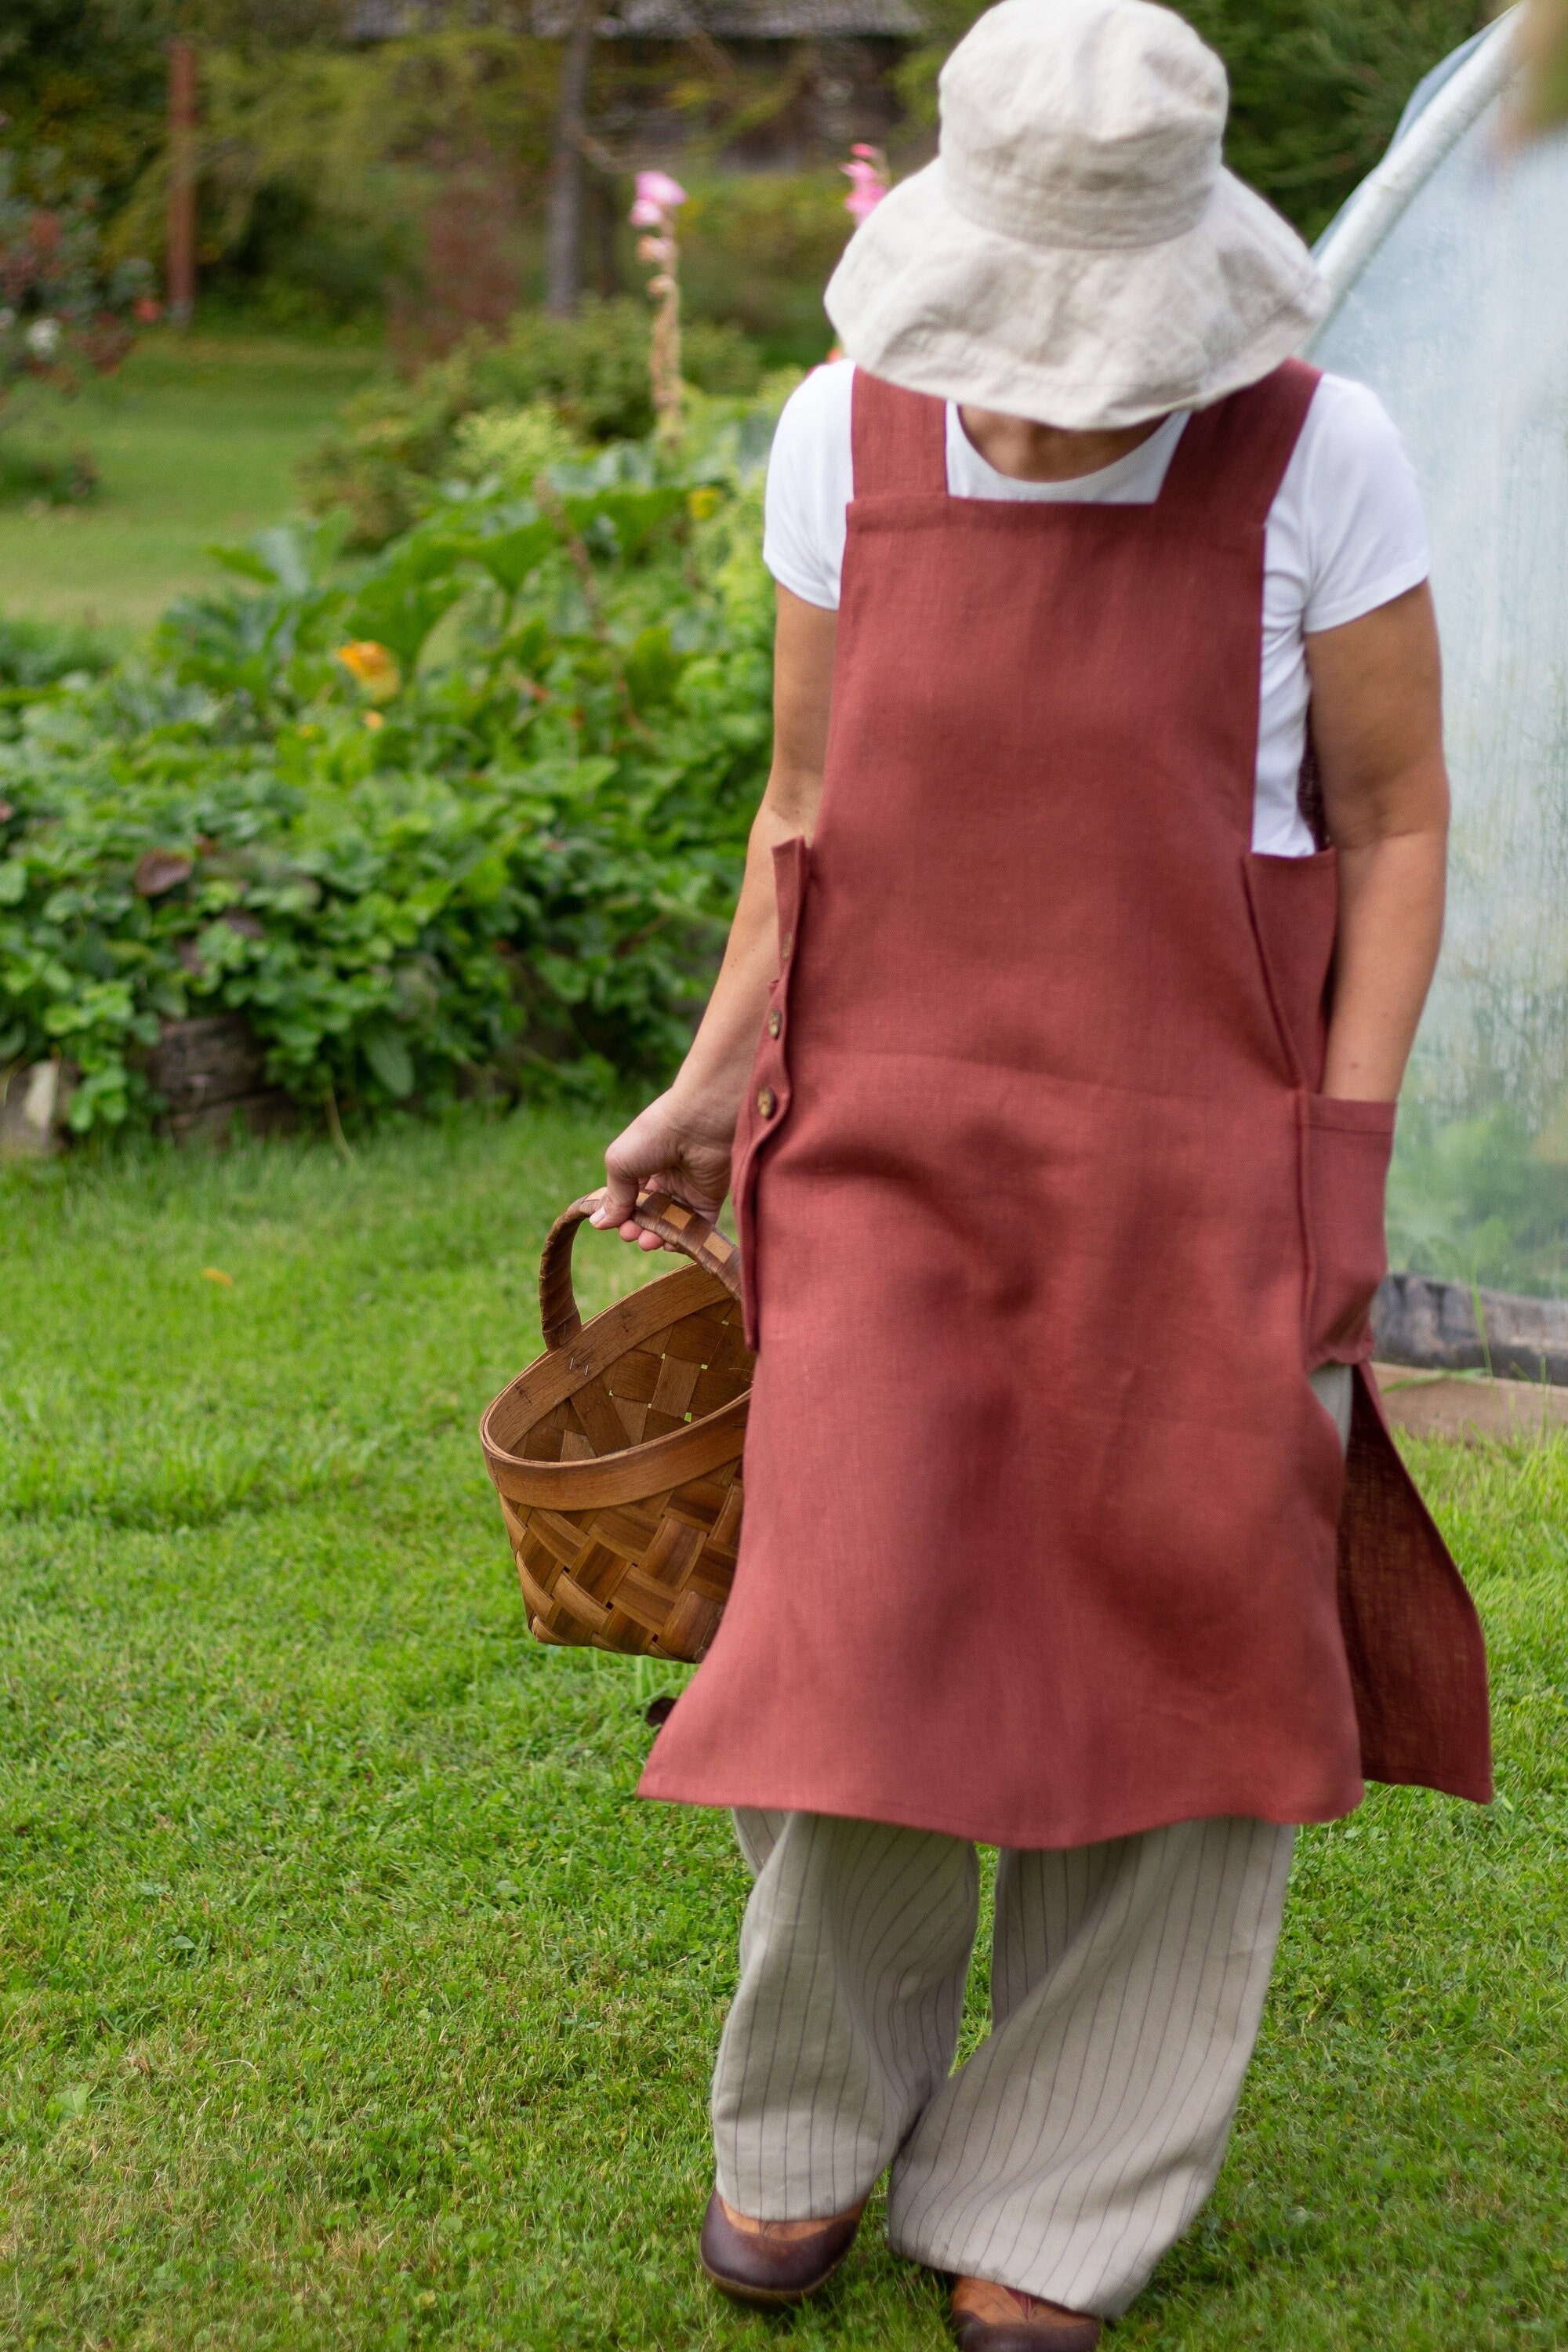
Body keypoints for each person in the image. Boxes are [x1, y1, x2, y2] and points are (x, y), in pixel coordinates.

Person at [593, 1, 1493, 2341]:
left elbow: (1394, 827)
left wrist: (1344, 1150)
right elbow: (809, 816)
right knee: (857, 1619)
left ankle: (1066, 2191)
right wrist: (715, 1083)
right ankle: (808, 2125)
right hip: (883, 1128)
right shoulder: (838, 432)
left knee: (1191, 1647)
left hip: (1212, 1137)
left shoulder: (1327, 452)